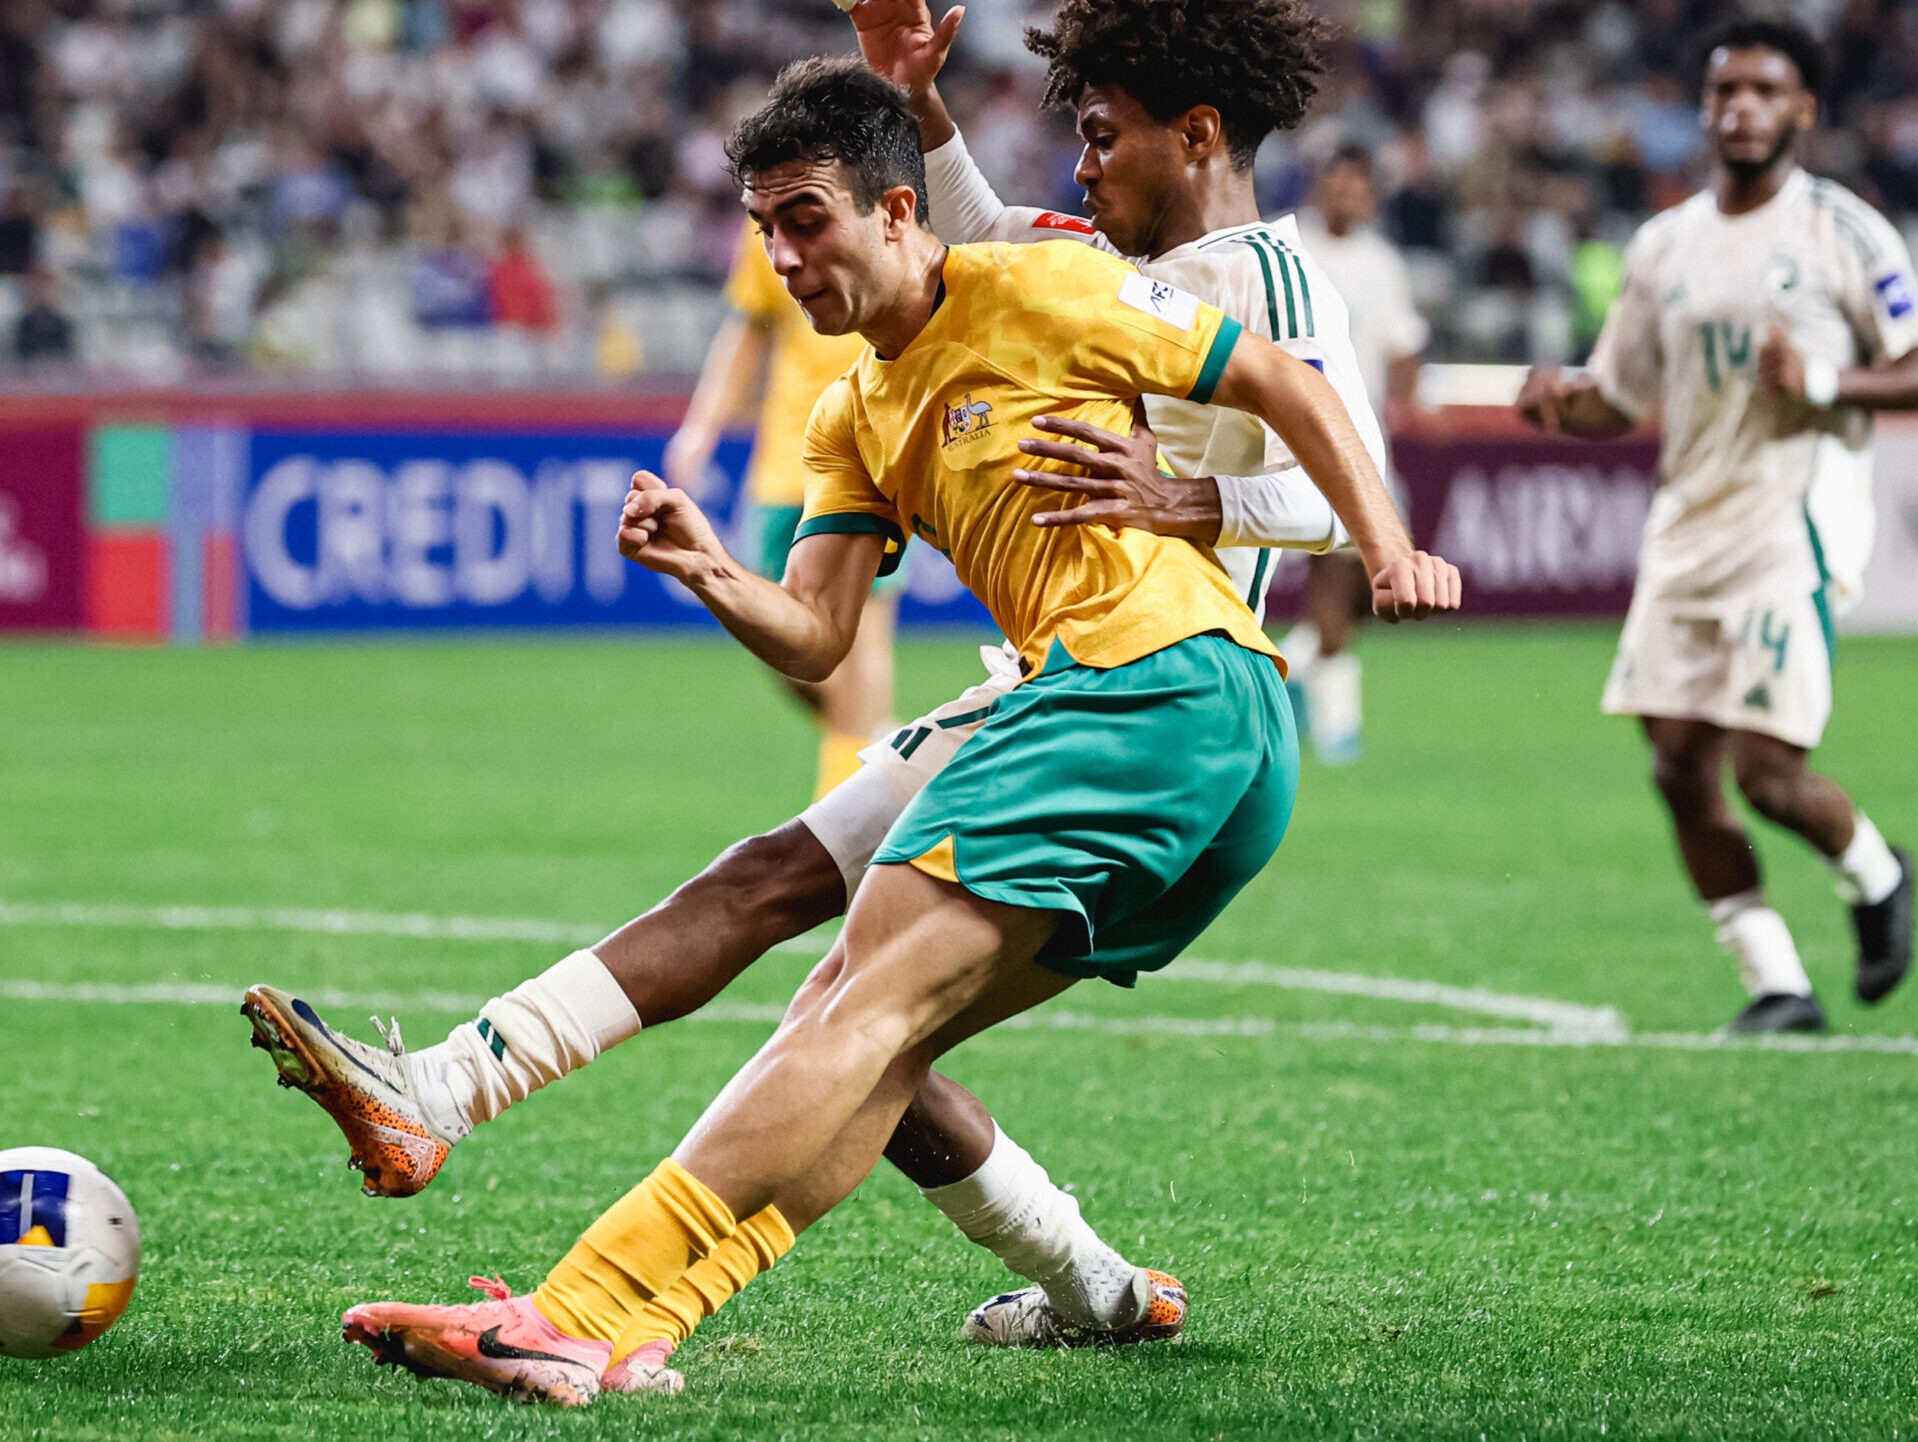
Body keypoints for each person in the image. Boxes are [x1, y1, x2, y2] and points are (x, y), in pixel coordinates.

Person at [240, 0, 1378, 1377]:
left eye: (1098, 136)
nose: (1078, 169)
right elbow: (950, 274)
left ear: (1192, 133)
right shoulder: (921, 363)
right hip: (1081, 693)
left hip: (1150, 687)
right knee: (816, 964)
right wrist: (716, 569)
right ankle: (1056, 1291)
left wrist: (1200, 495)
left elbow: (1337, 447)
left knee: (853, 1011)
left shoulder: (1215, 273)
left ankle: (583, 1304)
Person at [1516, 18, 1918, 1036]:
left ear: (1804, 110)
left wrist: (1826, 377)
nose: (1741, 107)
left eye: (1764, 89)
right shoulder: (1663, 244)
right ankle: (1774, 981)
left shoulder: (1843, 230)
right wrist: (1565, 402)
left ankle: (1877, 875)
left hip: (1789, 524)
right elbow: (1620, 394)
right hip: (1685, 528)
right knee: (1673, 767)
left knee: (1765, 772)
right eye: (1724, 91)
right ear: (1702, 109)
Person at [666, 235, 894, 799]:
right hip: (785, 462)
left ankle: (841, 834)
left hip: (873, 459)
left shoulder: (885, 207)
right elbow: (749, 326)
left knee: (858, 647)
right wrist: (702, 427)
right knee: (787, 649)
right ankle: (879, 751)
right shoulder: (768, 227)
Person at [1286, 144, 1432, 762]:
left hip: (1370, 441)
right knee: (1334, 572)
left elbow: (1403, 343)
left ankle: (1287, 669)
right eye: (1336, 183)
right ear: (1321, 187)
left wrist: (1407, 394)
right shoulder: (1296, 252)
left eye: (1357, 185)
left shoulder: (1382, 262)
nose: (1347, 195)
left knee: (1374, 582)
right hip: (1308, 438)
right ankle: (1338, 724)